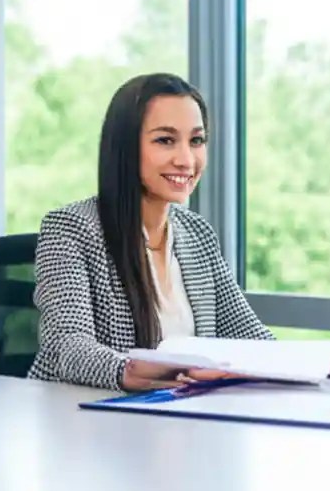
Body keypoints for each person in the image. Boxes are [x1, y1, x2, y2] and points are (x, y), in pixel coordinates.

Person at [28, 73, 274, 391]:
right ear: (125, 147)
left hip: (181, 411)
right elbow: (68, 348)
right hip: (84, 413)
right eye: (165, 140)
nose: (186, 160)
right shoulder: (70, 229)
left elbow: (250, 336)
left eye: (196, 141)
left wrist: (320, 363)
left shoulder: (197, 233)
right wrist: (141, 371)